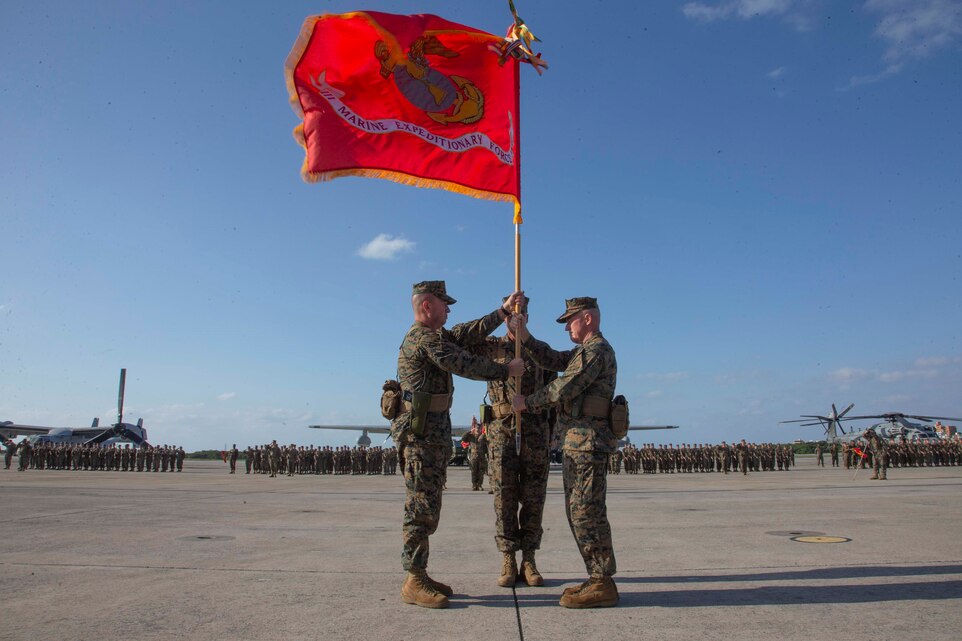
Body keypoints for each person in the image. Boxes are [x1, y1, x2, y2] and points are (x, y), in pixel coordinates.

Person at [393, 280, 525, 609]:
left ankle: (419, 573)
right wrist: (505, 369)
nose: (449, 309)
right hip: (421, 437)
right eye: (444, 303)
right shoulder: (423, 338)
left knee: (429, 505)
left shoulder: (437, 336)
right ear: (427, 306)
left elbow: (467, 334)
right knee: (420, 508)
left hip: (432, 435)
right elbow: (461, 362)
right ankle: (413, 578)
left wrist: (502, 311)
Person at [510, 297, 620, 608]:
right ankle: (596, 577)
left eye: (570, 320)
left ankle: (602, 582)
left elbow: (563, 387)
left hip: (589, 443)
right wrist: (525, 336)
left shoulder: (596, 350)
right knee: (578, 512)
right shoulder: (583, 352)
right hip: (579, 443)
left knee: (587, 512)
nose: (567, 326)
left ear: (587, 318)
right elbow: (554, 359)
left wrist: (526, 403)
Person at [471, 294, 556, 588]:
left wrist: (549, 433)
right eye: (511, 315)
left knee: (534, 498)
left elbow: (555, 393)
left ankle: (529, 559)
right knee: (504, 498)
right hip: (500, 433)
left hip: (535, 431)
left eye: (521, 314)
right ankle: (507, 556)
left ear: (528, 317)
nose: (516, 319)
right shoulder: (491, 348)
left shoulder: (539, 351)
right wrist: (498, 313)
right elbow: (464, 341)